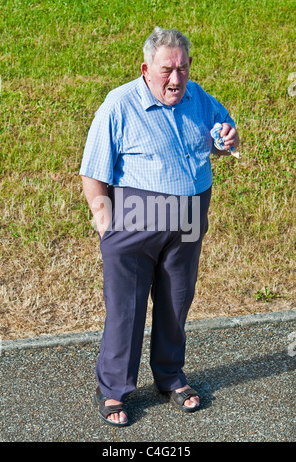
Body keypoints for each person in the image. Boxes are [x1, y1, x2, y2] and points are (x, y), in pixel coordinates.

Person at [80, 27, 239, 426]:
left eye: (183, 68)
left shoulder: (197, 97)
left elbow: (224, 137)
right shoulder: (119, 104)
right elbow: (92, 172)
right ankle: (114, 389)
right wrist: (107, 228)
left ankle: (170, 377)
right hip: (135, 217)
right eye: (167, 69)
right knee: (126, 308)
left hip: (188, 218)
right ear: (146, 68)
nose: (176, 78)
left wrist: (229, 139)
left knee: (176, 300)